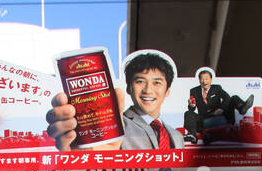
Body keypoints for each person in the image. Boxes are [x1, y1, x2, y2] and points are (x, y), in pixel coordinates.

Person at [46, 51, 184, 151]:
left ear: (168, 90)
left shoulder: (176, 136)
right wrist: (87, 156)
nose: (148, 90)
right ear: (129, 88)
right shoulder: (114, 126)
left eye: (157, 83)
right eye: (140, 81)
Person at [184, 67, 254, 143]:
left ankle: (242, 108)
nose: (204, 81)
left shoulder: (216, 88)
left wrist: (221, 109)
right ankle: (193, 136)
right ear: (199, 80)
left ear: (211, 80)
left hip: (220, 115)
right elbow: (191, 109)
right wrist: (192, 105)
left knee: (233, 98)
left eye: (207, 79)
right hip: (204, 119)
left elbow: (227, 98)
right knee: (188, 113)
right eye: (202, 79)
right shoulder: (194, 91)